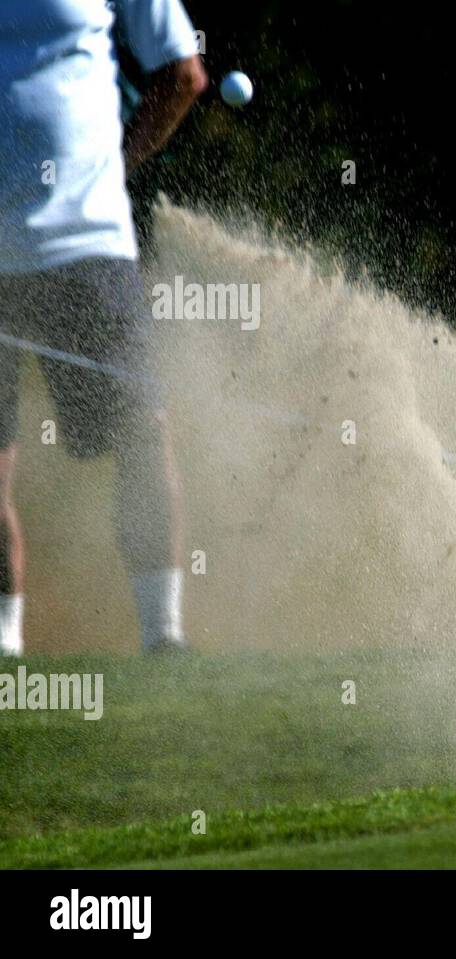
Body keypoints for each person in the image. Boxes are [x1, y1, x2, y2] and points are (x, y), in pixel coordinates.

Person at [0, 0, 207, 656]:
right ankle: (6, 652)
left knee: (140, 433)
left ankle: (163, 637)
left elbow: (182, 74)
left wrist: (111, 169)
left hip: (90, 243)